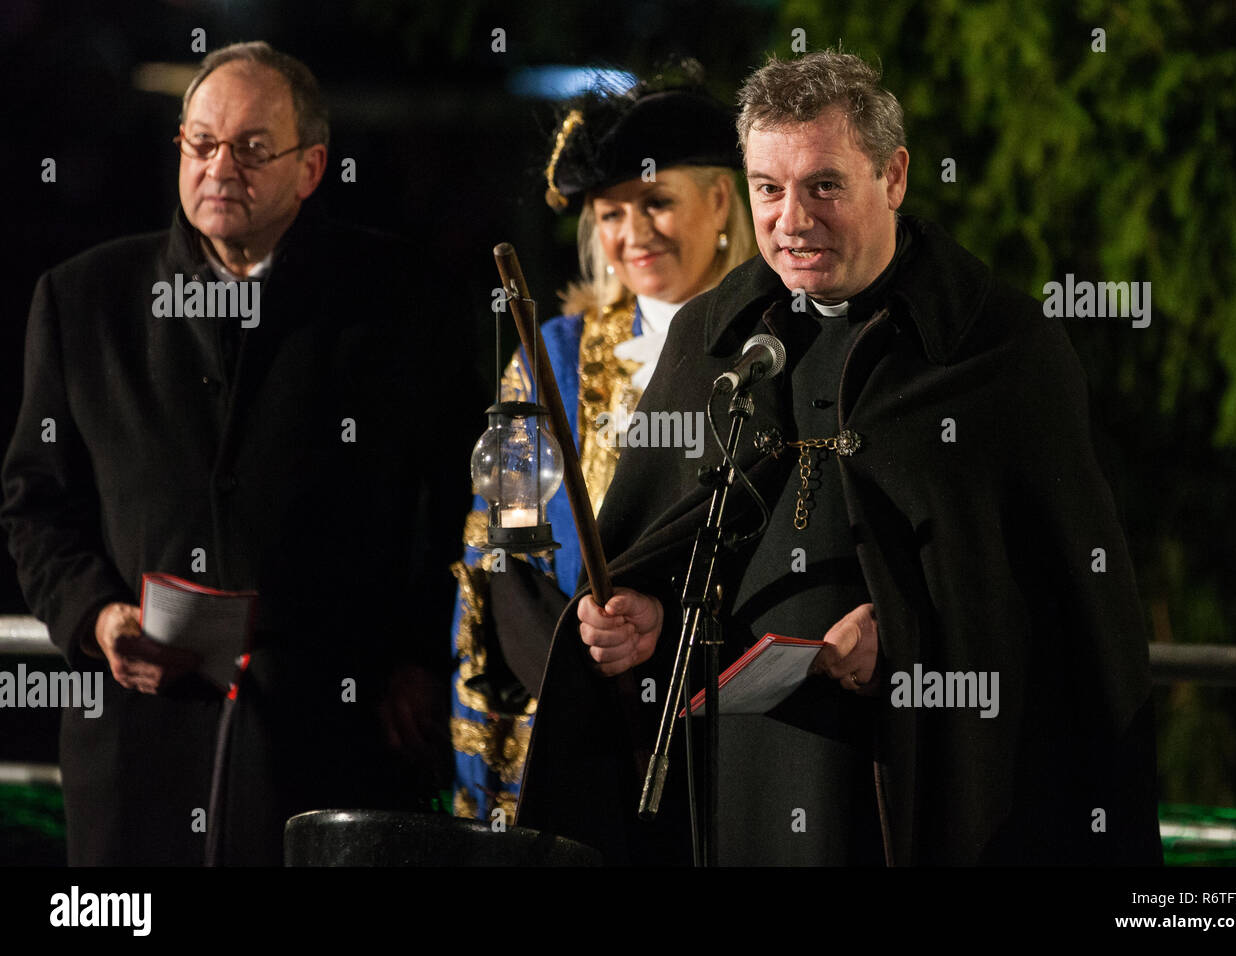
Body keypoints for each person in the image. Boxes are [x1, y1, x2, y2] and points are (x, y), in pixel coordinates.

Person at [516, 50, 1162, 865]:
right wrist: (644, 613)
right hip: (739, 779)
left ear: (892, 177)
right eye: (769, 189)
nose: (791, 219)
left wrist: (905, 632)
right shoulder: (711, 337)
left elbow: (1060, 600)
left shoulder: (995, 348)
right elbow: (659, 537)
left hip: (916, 779)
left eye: (824, 185)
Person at [1, 41, 472, 865]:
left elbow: (452, 504)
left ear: (311, 166)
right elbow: (37, 502)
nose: (221, 167)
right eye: (202, 143)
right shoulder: (83, 300)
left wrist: (420, 659)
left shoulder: (401, 302)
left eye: (253, 148)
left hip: (331, 736)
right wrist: (93, 617)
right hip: (136, 750)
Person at [450, 69, 756, 823]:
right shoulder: (549, 357)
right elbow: (502, 553)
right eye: (611, 213)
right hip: (584, 721)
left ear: (720, 201)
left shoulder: (772, 347)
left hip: (731, 715)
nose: (634, 233)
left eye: (657, 202)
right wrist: (577, 664)